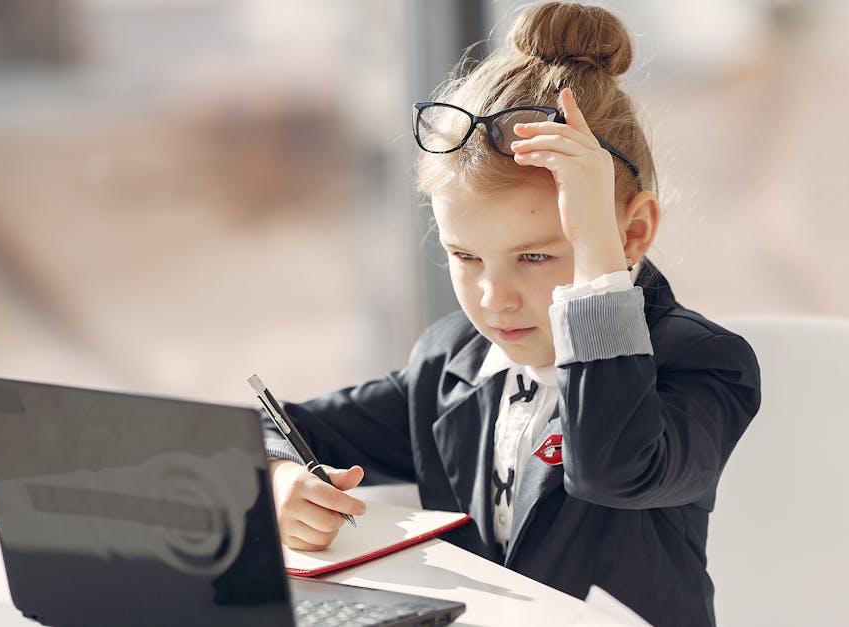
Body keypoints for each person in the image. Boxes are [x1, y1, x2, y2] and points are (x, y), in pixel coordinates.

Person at [263, 2, 761, 624]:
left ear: (631, 234)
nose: (494, 298)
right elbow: (271, 427)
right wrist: (278, 480)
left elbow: (614, 469)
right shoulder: (449, 363)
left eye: (534, 255)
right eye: (465, 255)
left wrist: (598, 275)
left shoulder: (705, 364)